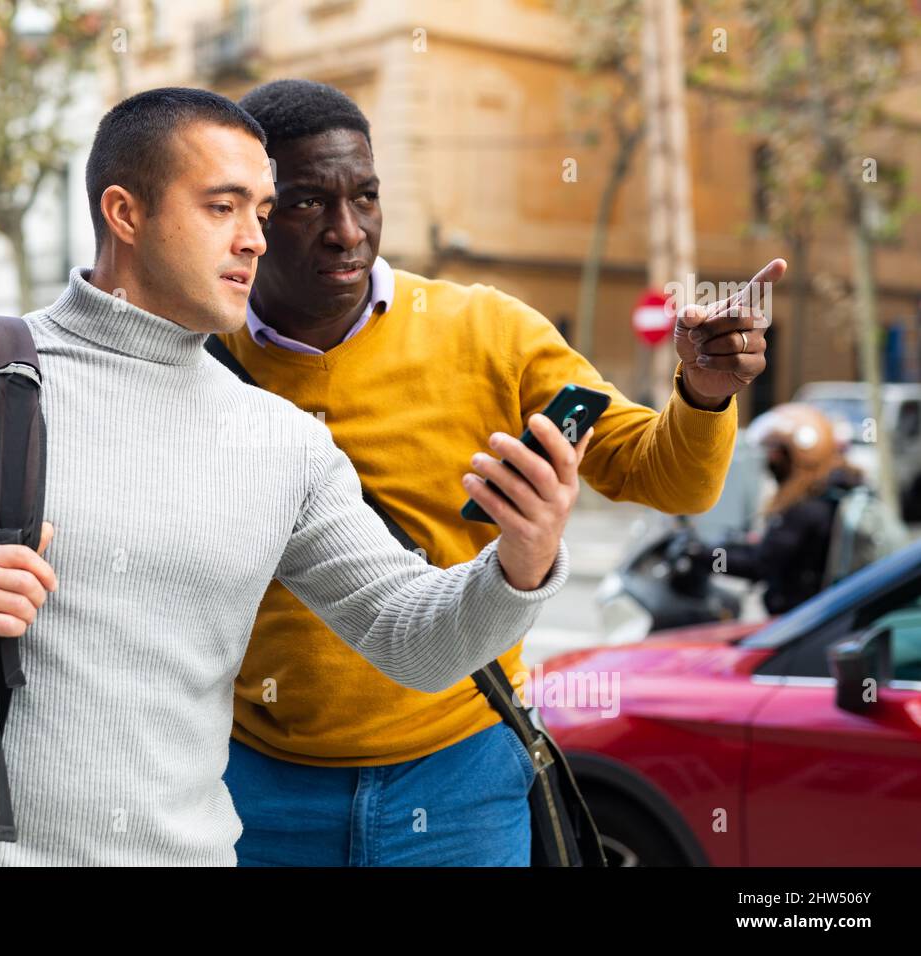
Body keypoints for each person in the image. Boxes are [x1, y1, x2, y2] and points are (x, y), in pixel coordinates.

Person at [0, 87, 580, 866]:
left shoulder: (282, 440)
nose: (254, 237)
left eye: (259, 211)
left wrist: (521, 564)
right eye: (222, 207)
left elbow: (414, 639)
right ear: (126, 212)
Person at [216, 78, 786, 866]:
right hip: (258, 793)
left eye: (368, 197)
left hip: (461, 782)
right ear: (253, 214)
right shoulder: (197, 361)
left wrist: (705, 393)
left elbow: (672, 479)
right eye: (309, 203)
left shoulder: (488, 330)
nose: (348, 232)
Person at [717, 403, 866, 613]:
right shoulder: (827, 497)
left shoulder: (806, 509)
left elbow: (761, 565)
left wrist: (709, 558)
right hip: (811, 615)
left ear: (801, 456)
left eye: (778, 453)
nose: (771, 461)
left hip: (800, 621)